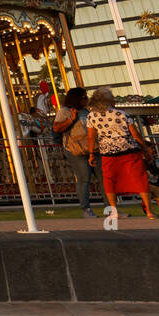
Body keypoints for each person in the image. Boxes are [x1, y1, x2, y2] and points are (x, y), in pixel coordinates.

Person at [86, 87, 156, 220]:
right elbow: (135, 134)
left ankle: (114, 211)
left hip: (108, 152)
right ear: (108, 100)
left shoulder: (92, 116)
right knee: (139, 178)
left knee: (109, 180)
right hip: (128, 150)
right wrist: (145, 149)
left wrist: (91, 154)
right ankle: (149, 212)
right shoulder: (122, 114)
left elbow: (91, 137)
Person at [52, 87, 95, 218]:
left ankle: (110, 208)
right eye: (84, 97)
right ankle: (86, 208)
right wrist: (71, 119)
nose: (86, 100)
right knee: (84, 177)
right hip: (75, 149)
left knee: (103, 177)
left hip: (93, 147)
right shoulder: (65, 111)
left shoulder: (87, 111)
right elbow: (57, 128)